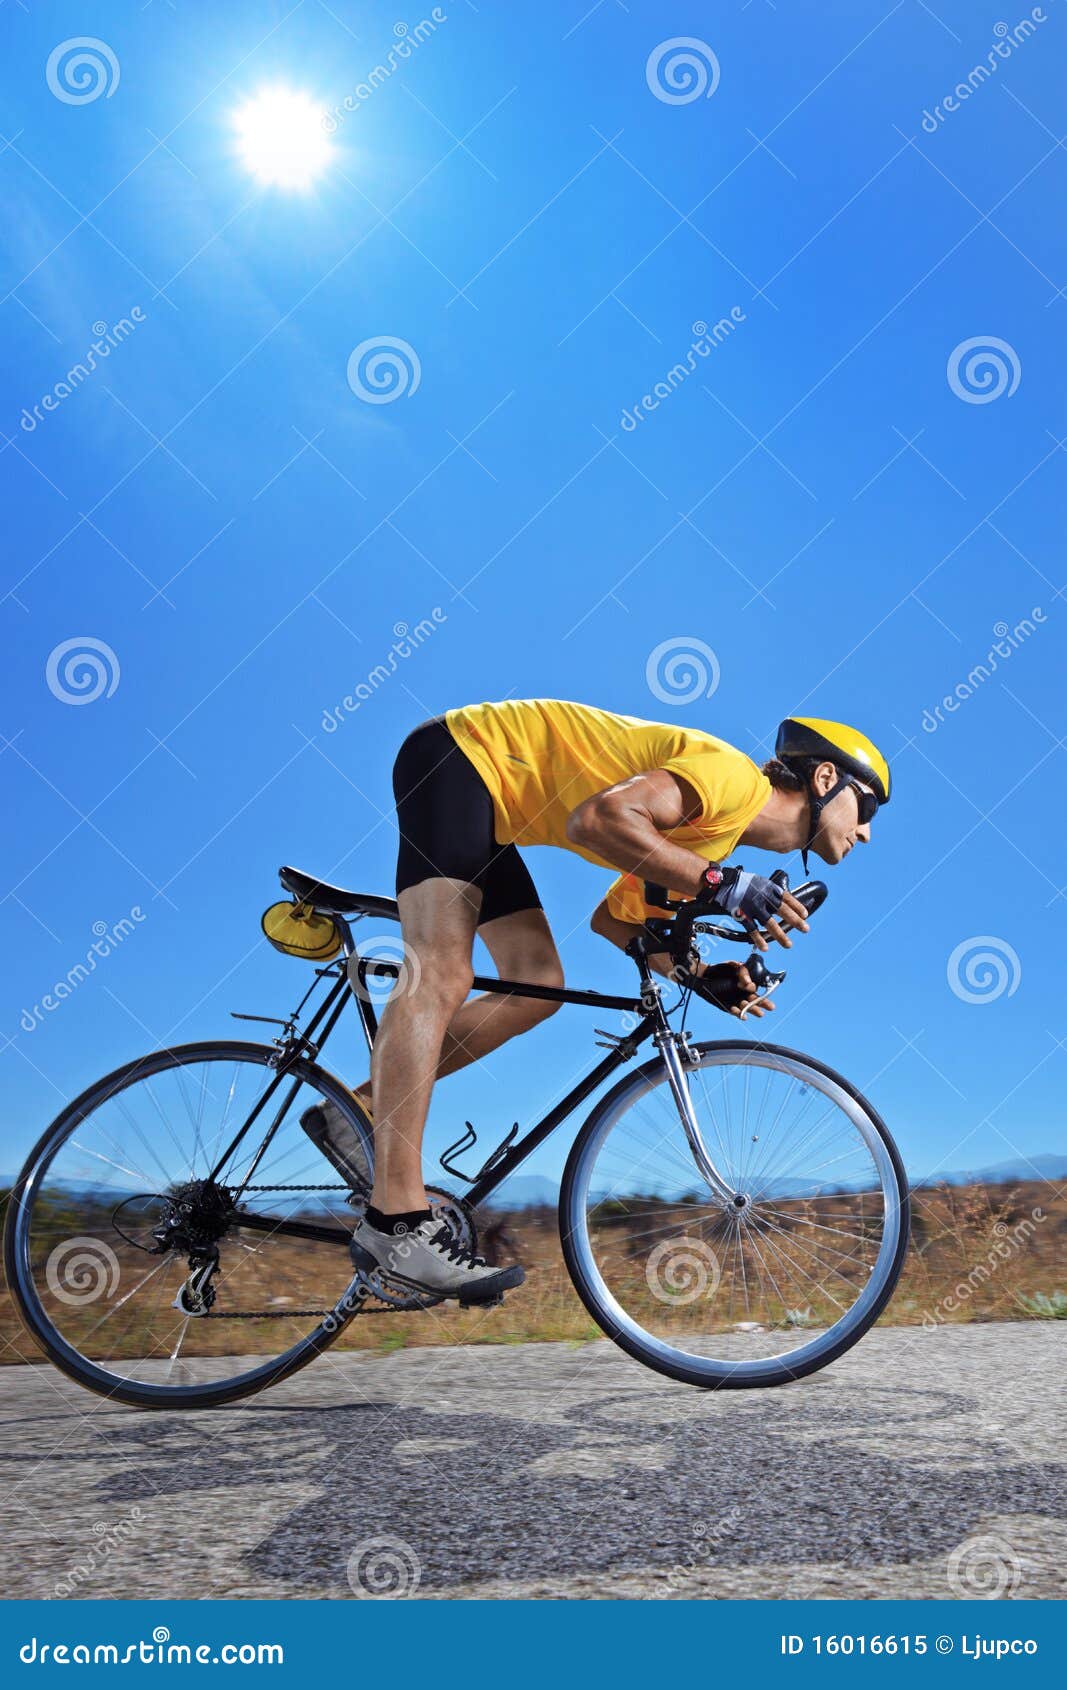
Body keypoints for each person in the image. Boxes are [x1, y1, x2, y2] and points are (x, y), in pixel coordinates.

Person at [320, 700, 890, 1305]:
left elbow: (617, 921)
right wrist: (723, 886)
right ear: (825, 779)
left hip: (489, 803)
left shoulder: (713, 837)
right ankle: (396, 1225)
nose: (868, 831)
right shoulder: (731, 779)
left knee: (533, 985)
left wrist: (699, 975)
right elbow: (597, 819)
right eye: (870, 806)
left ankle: (353, 1112)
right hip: (461, 758)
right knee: (440, 972)